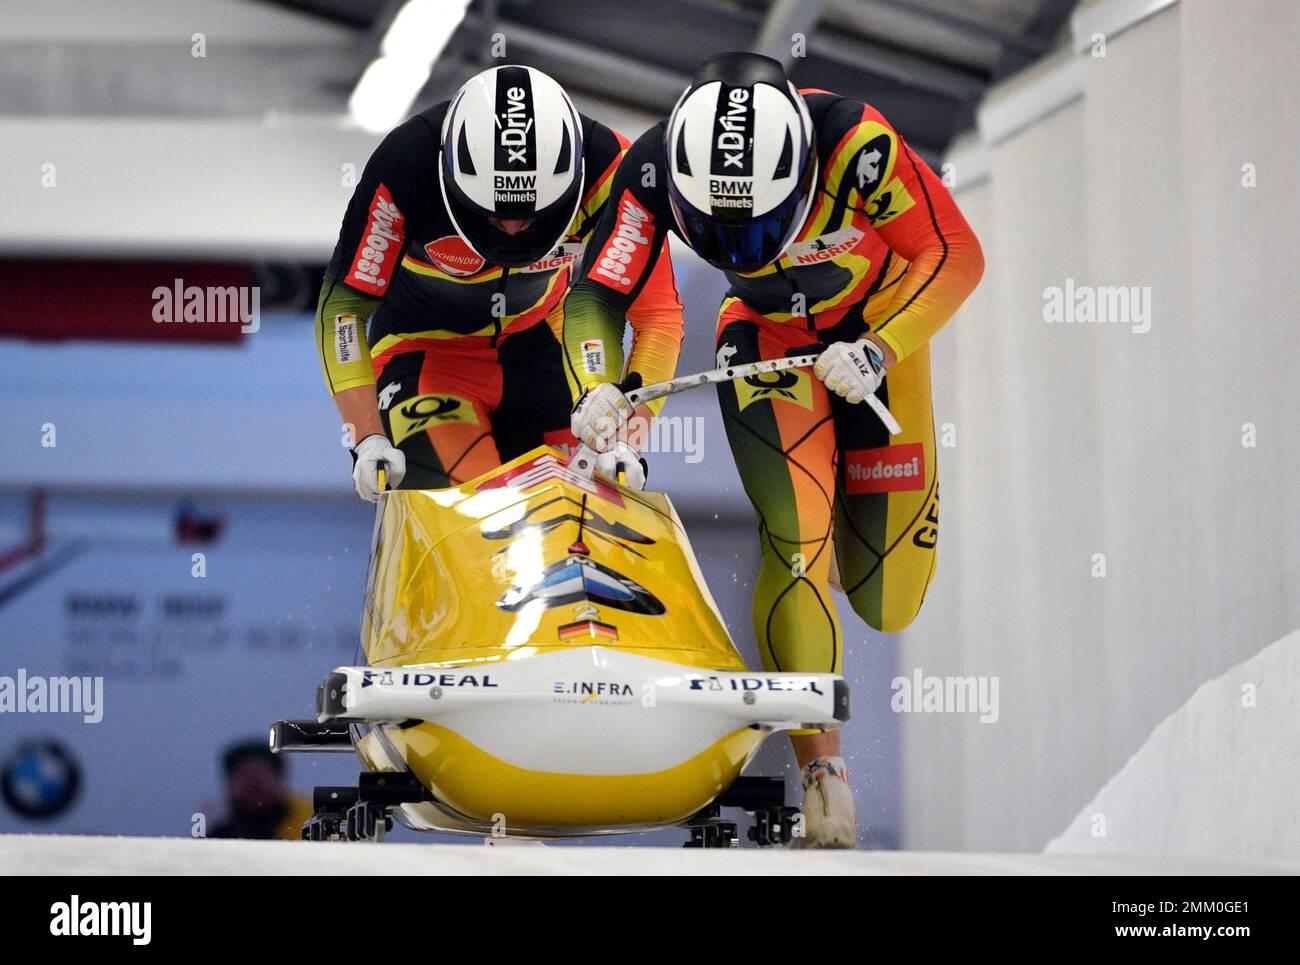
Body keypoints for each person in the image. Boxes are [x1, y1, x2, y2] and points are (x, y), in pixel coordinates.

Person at [565, 52, 984, 847]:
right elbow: (595, 293)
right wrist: (596, 384)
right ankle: (825, 771)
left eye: (762, 223)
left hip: (878, 333)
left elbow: (956, 254)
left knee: (889, 598)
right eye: (723, 234)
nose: (746, 246)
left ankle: (839, 558)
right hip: (765, 339)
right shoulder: (652, 169)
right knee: (797, 539)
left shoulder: (859, 145)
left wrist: (882, 350)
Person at [316, 65, 683, 499]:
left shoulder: (613, 168)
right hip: (424, 355)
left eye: (532, 216)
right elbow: (344, 310)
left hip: (547, 344)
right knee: (477, 514)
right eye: (493, 213)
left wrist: (626, 433)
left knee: (577, 520)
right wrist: (367, 436)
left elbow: (656, 315)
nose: (511, 230)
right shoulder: (406, 164)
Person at [208, 741, 310, 840]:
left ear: (280, 779)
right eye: (244, 775)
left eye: (261, 775)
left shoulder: (316, 833)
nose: (253, 783)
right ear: (229, 783)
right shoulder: (213, 840)